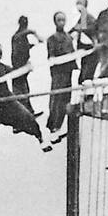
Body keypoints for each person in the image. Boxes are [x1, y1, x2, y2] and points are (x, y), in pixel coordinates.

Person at [45, 10, 76, 147]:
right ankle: (53, 127)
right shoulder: (52, 38)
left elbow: (73, 53)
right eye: (59, 20)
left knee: (66, 98)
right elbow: (51, 56)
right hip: (58, 73)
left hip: (67, 72)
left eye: (63, 20)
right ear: (55, 22)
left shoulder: (69, 37)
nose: (61, 22)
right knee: (56, 99)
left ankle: (61, 126)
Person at [10, 16, 43, 114]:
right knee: (21, 92)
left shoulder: (21, 37)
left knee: (25, 90)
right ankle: (23, 114)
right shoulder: (17, 35)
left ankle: (29, 112)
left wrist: (31, 46)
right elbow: (19, 40)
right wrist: (33, 32)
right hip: (18, 68)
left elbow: (22, 48)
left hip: (23, 67)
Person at [72, 0, 100, 84]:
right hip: (84, 53)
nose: (78, 6)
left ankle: (88, 97)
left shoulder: (89, 18)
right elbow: (73, 30)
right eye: (77, 3)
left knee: (86, 78)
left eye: (80, 3)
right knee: (83, 78)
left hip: (92, 52)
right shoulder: (81, 18)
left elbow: (94, 34)